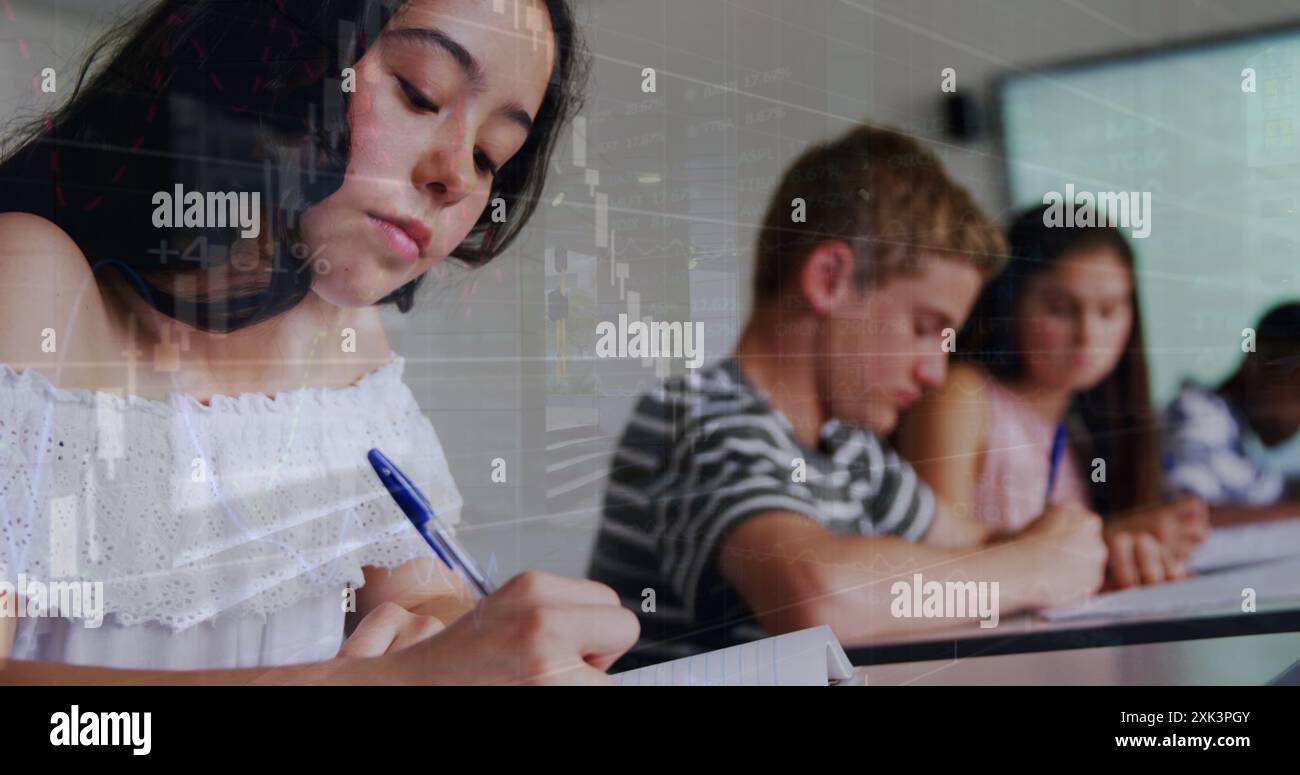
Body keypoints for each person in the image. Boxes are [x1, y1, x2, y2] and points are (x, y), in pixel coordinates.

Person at [0, 0, 638, 685]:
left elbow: (421, 594)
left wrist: (479, 644)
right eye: (420, 92)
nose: (456, 176)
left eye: (490, 156)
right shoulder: (33, 279)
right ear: (271, 54)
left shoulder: (344, 342)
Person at [588, 125, 1109, 667]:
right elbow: (818, 596)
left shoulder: (850, 449)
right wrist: (1039, 567)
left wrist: (1107, 548)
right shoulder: (698, 418)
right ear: (830, 279)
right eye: (927, 327)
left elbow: (985, 548)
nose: (936, 373)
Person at [897, 205, 1209, 591]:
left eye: (1109, 311)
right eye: (1061, 309)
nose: (1087, 335)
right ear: (1009, 305)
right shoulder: (962, 396)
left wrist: (1125, 542)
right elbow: (934, 563)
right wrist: (1104, 542)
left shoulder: (1080, 430)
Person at [1163, 302, 1300, 525]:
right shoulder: (1199, 416)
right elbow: (1185, 519)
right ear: (1258, 364)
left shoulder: (1236, 437)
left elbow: (1273, 490)